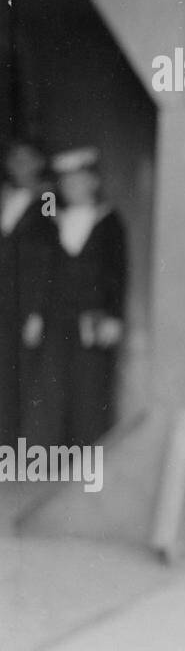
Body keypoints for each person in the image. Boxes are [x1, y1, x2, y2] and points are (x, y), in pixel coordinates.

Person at [48, 146, 127, 446]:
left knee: (90, 386)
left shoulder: (108, 222)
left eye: (78, 180)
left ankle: (90, 455)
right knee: (57, 387)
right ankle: (57, 458)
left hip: (94, 319)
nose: (71, 188)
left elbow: (118, 274)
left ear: (93, 182)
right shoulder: (55, 220)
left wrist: (114, 318)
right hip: (58, 317)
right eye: (66, 182)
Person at [0, 136, 58, 448]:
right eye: (14, 160)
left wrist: (36, 311)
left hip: (24, 305)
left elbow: (47, 258)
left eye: (27, 160)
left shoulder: (47, 200)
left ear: (39, 164)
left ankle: (17, 448)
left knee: (23, 376)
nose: (20, 167)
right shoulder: (4, 197)